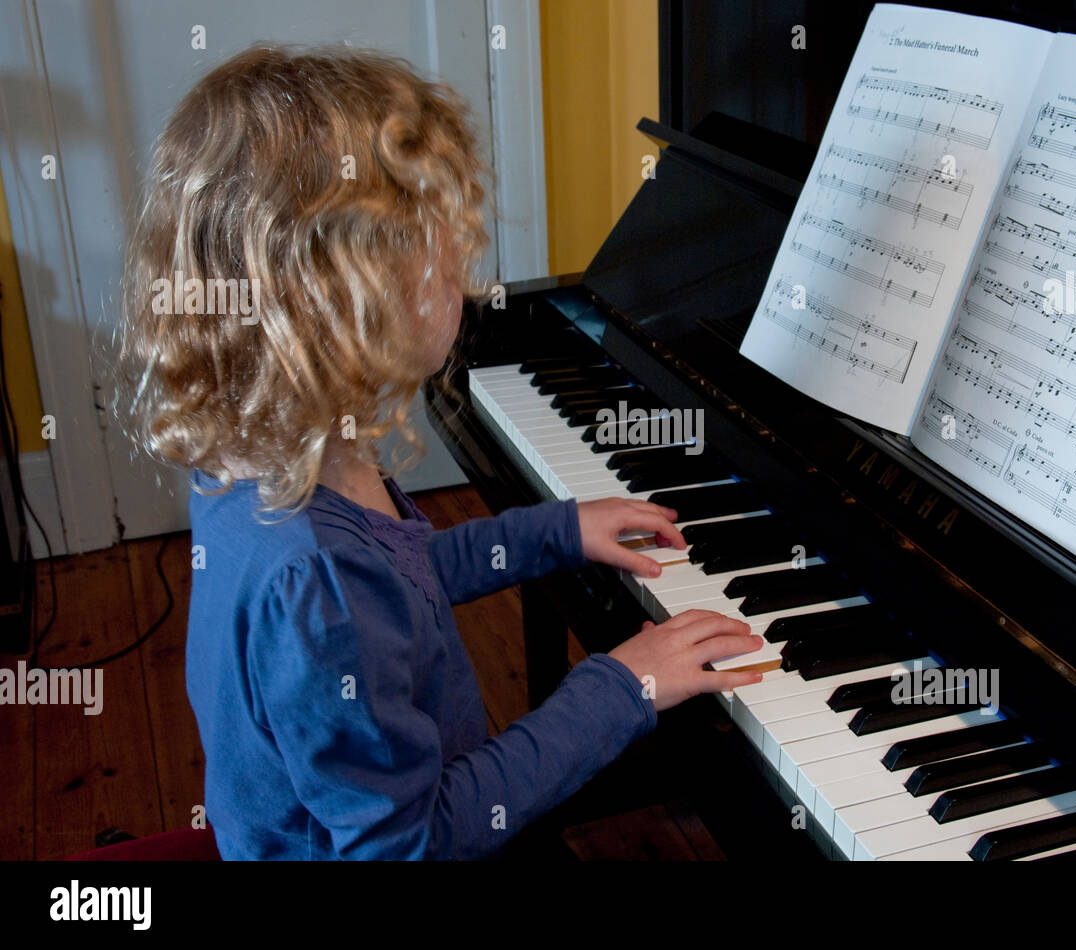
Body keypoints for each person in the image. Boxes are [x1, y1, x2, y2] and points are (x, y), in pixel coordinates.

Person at [117, 45, 763, 860]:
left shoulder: (261, 460)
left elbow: (405, 576)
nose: (464, 272)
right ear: (352, 294)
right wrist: (620, 684)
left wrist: (554, 531)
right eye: (443, 245)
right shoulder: (313, 578)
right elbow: (413, 843)